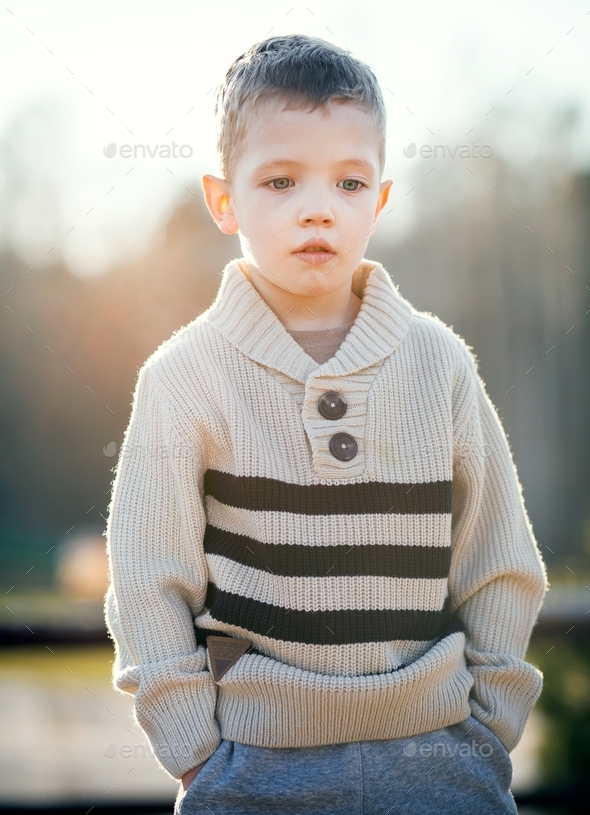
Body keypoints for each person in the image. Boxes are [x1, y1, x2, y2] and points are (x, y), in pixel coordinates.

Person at [104, 33, 548, 815]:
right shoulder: (183, 378)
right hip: (252, 769)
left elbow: (500, 560)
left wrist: (488, 725)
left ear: (378, 201)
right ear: (224, 199)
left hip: (442, 760)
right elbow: (147, 581)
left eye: (348, 181)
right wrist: (195, 750)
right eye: (280, 180)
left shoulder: (438, 363)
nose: (318, 206)